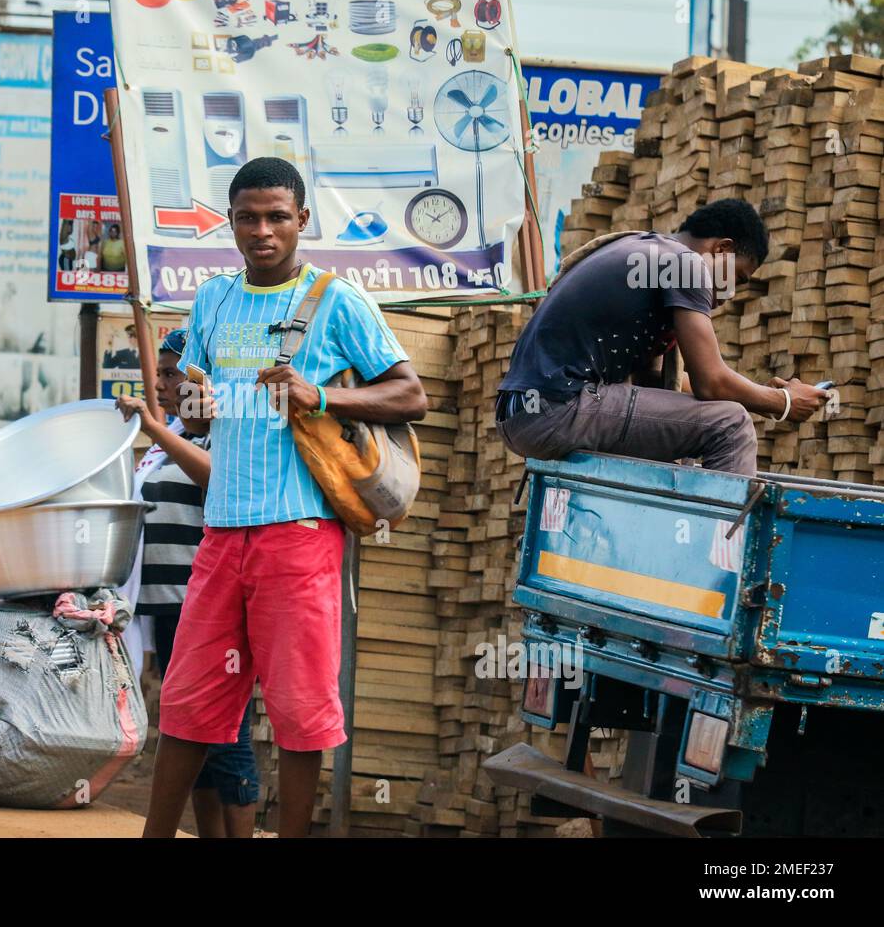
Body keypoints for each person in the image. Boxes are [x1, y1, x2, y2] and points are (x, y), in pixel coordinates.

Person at [142, 156, 427, 838]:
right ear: (231, 223)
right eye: (247, 217)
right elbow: (198, 412)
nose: (261, 229)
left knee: (300, 709)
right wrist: (191, 398)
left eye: (276, 216)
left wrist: (320, 393)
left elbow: (411, 394)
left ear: (302, 220)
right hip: (222, 533)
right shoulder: (213, 300)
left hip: (300, 534)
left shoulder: (339, 300)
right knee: (188, 702)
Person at [496, 199, 831, 477]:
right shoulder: (685, 265)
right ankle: (718, 554)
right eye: (737, 279)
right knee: (730, 425)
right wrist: (783, 403)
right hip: (557, 409)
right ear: (722, 249)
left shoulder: (644, 251)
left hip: (521, 412)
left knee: (680, 448)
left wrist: (760, 391)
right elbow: (711, 384)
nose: (728, 295)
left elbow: (657, 380)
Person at [117, 329, 260, 838]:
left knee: (227, 732)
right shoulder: (172, 436)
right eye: (159, 372)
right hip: (168, 607)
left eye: (173, 372)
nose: (162, 382)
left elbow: (217, 480)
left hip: (207, 603)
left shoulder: (224, 432)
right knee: (191, 729)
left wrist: (156, 430)